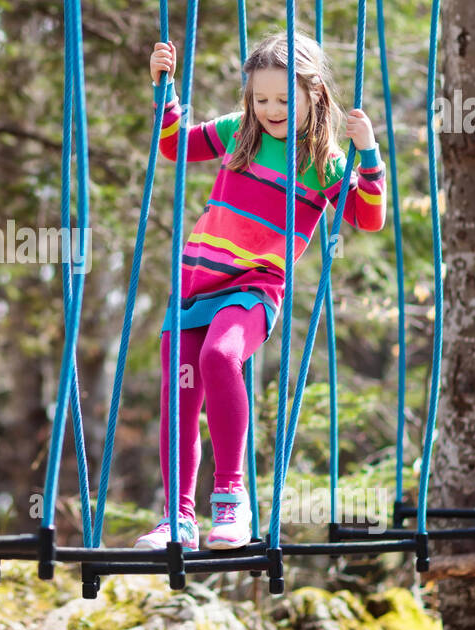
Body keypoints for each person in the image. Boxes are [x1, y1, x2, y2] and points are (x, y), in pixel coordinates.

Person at [137, 31, 387, 551]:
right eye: (260, 98)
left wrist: (367, 155)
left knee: (219, 357)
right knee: (179, 393)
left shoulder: (322, 161)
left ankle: (231, 499)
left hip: (253, 288)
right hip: (194, 281)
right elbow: (174, 147)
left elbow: (368, 217)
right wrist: (166, 91)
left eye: (282, 99)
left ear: (314, 93)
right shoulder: (237, 132)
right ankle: (178, 517)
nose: (269, 109)